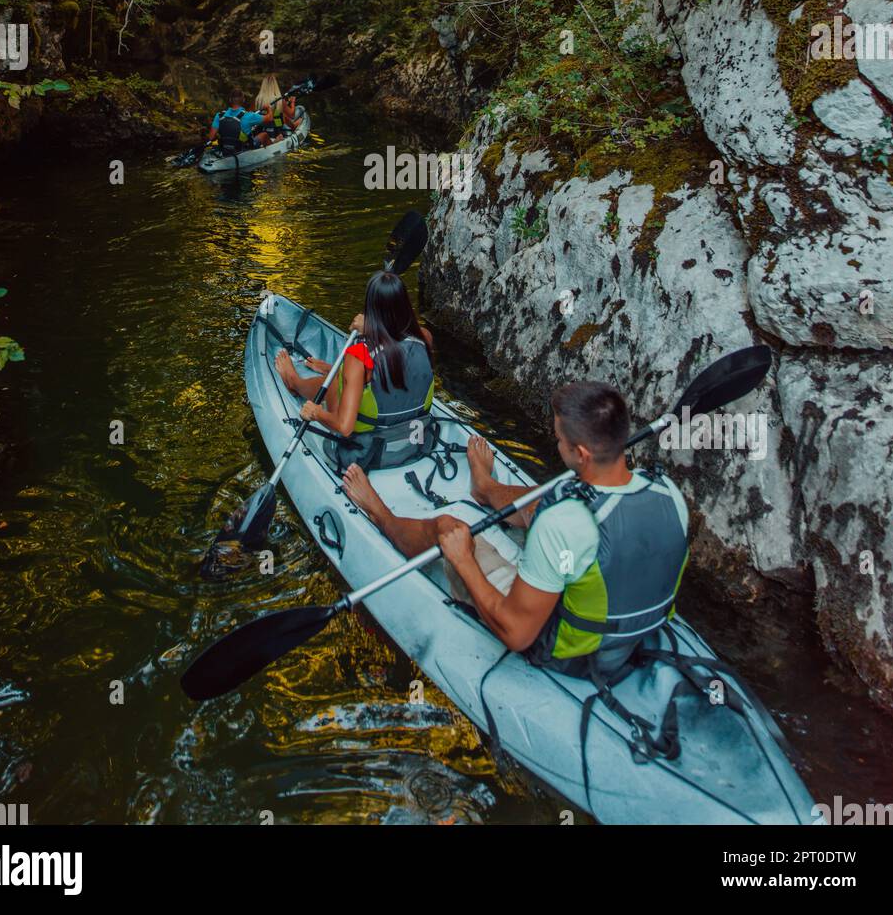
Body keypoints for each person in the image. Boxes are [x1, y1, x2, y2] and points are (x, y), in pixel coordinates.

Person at [342, 380, 689, 678]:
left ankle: (380, 514)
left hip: (568, 651)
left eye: (559, 440)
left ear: (580, 453)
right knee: (545, 498)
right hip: (630, 632)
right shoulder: (666, 491)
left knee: (448, 526)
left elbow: (517, 633)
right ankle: (486, 487)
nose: (557, 445)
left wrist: (463, 558)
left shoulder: (562, 524)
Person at [275, 270, 435, 470]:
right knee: (350, 374)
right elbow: (396, 351)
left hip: (369, 450)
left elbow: (344, 427)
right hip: (415, 443)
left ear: (370, 308)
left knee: (336, 382)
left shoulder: (358, 355)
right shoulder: (424, 338)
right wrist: (372, 328)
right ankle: (331, 369)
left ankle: (294, 382)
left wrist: (316, 413)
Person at [208, 90, 260, 154]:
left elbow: (211, 137)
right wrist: (268, 108)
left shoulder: (219, 115)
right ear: (243, 100)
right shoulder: (249, 115)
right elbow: (269, 118)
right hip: (242, 151)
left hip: (225, 150)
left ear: (230, 100)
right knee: (264, 135)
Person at [252, 74, 297, 147]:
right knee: (282, 115)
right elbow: (292, 115)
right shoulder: (279, 101)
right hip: (276, 135)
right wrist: (292, 102)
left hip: (261, 133)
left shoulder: (258, 100)